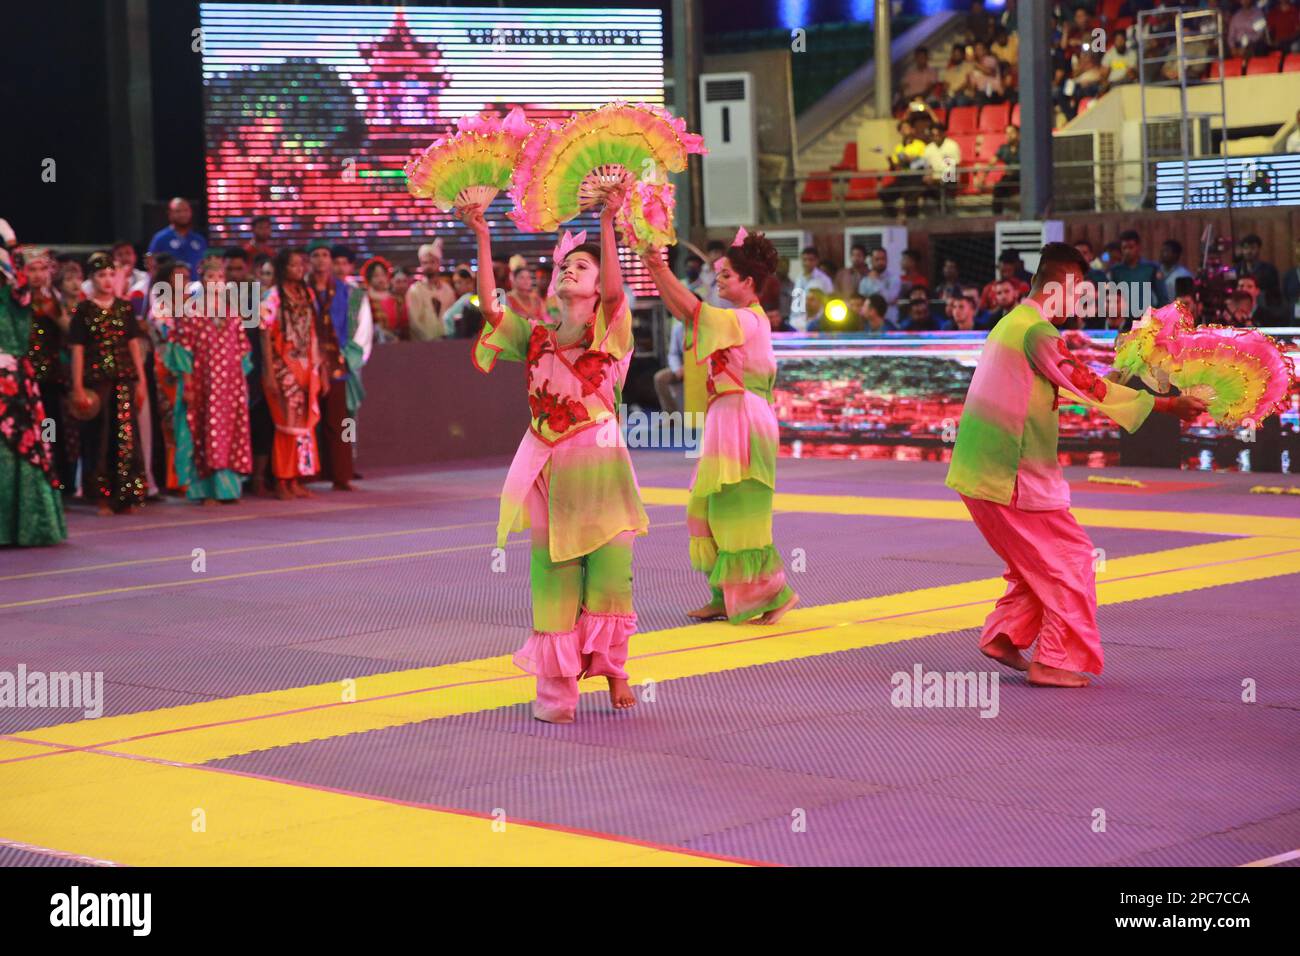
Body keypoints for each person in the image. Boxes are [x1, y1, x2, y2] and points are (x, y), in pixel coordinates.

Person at [945, 243, 1206, 687]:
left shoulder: (1013, 325)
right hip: (1011, 475)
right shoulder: (1037, 333)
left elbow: (1071, 384)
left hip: (981, 473)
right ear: (1063, 287)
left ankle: (1005, 635)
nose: (1082, 302)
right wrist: (1168, 404)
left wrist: (1131, 386)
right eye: (1080, 292)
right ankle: (1055, 661)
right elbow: (1085, 385)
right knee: (1071, 560)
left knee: (1039, 561)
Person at [462, 186, 646, 724]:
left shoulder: (611, 330)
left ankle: (614, 669)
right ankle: (558, 695)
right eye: (564, 264)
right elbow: (491, 306)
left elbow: (615, 293)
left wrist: (608, 222)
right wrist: (481, 234)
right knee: (553, 579)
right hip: (549, 471)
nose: (570, 270)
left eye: (582, 266)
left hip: (604, 470)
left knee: (610, 579)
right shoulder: (537, 336)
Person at [641, 228, 799, 627]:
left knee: (737, 514)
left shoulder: (746, 320)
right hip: (727, 417)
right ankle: (723, 593)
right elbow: (687, 311)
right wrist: (654, 266)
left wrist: (657, 265)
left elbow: (690, 311)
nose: (718, 281)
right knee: (703, 509)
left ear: (748, 283)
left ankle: (775, 593)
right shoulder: (737, 320)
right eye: (717, 275)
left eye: (726, 275)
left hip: (744, 419)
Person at [69, 252, 149, 515]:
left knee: (126, 437)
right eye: (101, 275)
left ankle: (126, 495)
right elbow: (78, 350)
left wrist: (141, 381)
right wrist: (78, 386)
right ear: (92, 279)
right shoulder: (83, 310)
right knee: (99, 438)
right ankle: (101, 496)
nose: (106, 280)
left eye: (110, 275)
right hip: (96, 383)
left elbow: (133, 345)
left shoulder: (124, 308)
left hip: (124, 379)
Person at [0, 246, 67, 544]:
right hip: (23, 378)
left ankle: (31, 517)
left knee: (41, 439)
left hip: (28, 381)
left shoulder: (21, 297)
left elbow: (70, 332)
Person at [174, 253, 252, 504]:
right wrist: (187, 383)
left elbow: (242, 350)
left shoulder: (233, 312)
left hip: (230, 384)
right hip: (203, 382)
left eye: (220, 277)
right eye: (210, 277)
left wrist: (241, 382)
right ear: (202, 280)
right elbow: (183, 349)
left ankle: (228, 489)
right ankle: (205, 489)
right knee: (203, 430)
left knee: (230, 430)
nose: (216, 281)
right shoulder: (190, 312)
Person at [306, 239, 372, 491]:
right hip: (308, 366)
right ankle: (309, 472)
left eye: (326, 255)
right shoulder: (302, 290)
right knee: (308, 421)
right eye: (316, 255)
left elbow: (363, 332)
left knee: (345, 421)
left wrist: (348, 360)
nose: (322, 260)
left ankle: (344, 471)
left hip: (342, 365)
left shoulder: (353, 295)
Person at [260, 248, 323, 500]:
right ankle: (282, 480)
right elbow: (264, 334)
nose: (299, 268)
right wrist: (269, 373)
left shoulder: (307, 294)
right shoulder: (272, 296)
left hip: (307, 367)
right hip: (282, 368)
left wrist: (319, 368)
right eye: (294, 264)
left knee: (304, 427)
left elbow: (313, 334)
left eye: (301, 264)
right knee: (286, 425)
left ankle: (298, 476)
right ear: (282, 268)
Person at [406, 240, 456, 341]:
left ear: (439, 263)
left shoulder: (448, 290)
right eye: (425, 263)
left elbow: (453, 318)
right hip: (422, 346)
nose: (428, 266)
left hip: (447, 344)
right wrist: (431, 341)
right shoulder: (415, 290)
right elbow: (414, 323)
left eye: (432, 262)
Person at [1109, 229, 1167, 311]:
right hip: (1123, 319)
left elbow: (1162, 297)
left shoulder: (1150, 268)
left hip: (1146, 319)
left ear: (1138, 247)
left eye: (1131, 247)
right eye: (1124, 248)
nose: (1127, 251)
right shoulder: (1116, 270)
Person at [147, 197, 208, 273]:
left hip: (195, 283)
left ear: (191, 212)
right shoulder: (160, 238)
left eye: (186, 210)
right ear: (170, 214)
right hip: (172, 283)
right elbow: (151, 265)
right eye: (178, 211)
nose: (183, 214)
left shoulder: (200, 240)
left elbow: (205, 266)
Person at [362, 257, 407, 342]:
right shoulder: (365, 300)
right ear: (369, 278)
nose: (380, 279)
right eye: (376, 275)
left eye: (383, 274)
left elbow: (404, 326)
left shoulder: (397, 300)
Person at [791, 246, 832, 331]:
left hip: (818, 324)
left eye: (811, 260)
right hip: (798, 322)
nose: (807, 263)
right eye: (804, 260)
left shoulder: (824, 280)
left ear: (817, 261)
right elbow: (796, 303)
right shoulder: (798, 278)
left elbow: (829, 302)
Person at [858, 246, 902, 324]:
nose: (880, 262)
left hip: (891, 321)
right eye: (877, 259)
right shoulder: (865, 281)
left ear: (887, 260)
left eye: (883, 259)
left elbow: (889, 299)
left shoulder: (894, 278)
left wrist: (876, 281)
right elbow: (862, 302)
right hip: (870, 322)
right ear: (871, 261)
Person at [654, 315, 686, 414]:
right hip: (683, 369)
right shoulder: (678, 328)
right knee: (660, 378)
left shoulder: (705, 327)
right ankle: (671, 416)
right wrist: (677, 368)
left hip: (703, 369)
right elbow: (673, 353)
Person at [506, 255, 546, 323]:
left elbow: (545, 319)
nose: (526, 281)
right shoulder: (507, 299)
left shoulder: (537, 299)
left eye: (528, 277)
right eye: (522, 277)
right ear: (514, 280)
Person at [1159, 239, 1194, 304]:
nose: (1162, 254)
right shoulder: (1156, 271)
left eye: (1166, 251)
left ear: (1175, 255)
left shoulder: (1183, 275)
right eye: (1162, 251)